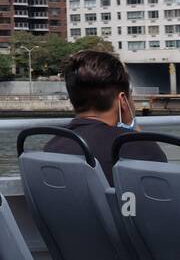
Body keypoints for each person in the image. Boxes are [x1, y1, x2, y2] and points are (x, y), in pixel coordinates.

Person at [44, 50, 168, 179]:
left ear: (72, 98)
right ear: (123, 100)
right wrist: (135, 128)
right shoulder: (139, 148)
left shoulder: (53, 146)